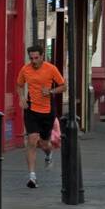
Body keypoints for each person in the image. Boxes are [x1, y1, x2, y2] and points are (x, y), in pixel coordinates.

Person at [16, 45, 66, 189]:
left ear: (42, 56)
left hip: (47, 112)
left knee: (44, 144)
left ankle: (48, 154)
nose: (34, 61)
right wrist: (22, 98)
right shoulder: (25, 69)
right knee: (32, 141)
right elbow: (19, 85)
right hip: (31, 110)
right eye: (31, 58)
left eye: (36, 58)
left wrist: (51, 91)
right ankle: (32, 176)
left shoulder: (51, 69)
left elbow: (63, 86)